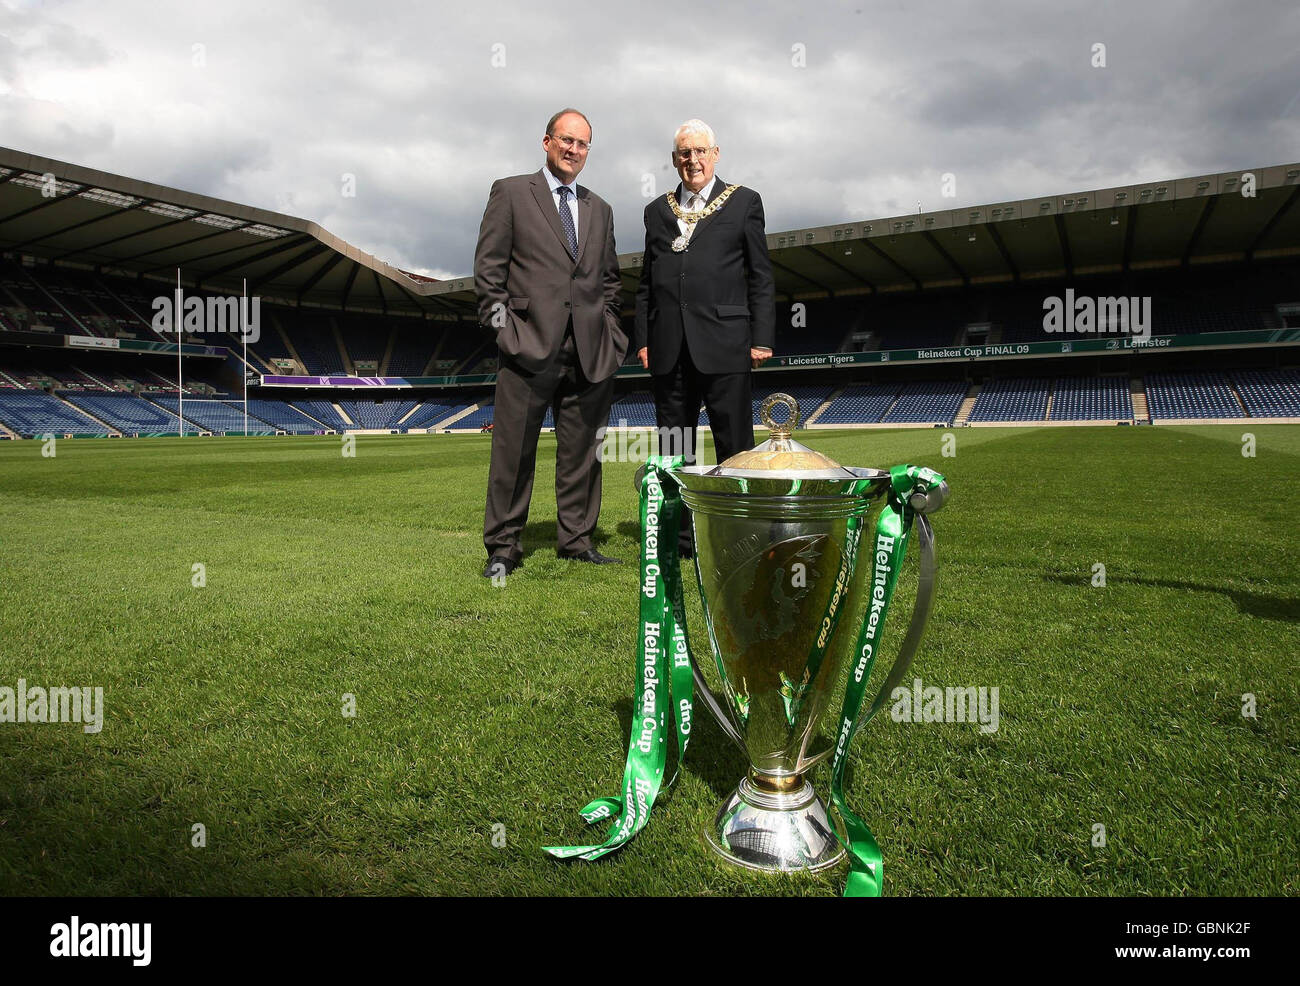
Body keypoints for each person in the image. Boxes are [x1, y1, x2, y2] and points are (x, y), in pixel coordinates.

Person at [475, 108, 628, 578]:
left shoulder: (599, 209)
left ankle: (577, 541)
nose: (573, 150)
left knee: (583, 454)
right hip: (527, 345)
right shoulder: (512, 191)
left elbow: (608, 282)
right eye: (566, 140)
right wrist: (507, 333)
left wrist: (610, 333)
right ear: (546, 141)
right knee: (513, 453)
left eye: (582, 144)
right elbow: (489, 273)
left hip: (589, 350)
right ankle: (503, 546)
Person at [633, 119, 775, 555]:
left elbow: (760, 275)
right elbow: (645, 283)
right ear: (674, 159)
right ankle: (680, 537)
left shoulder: (745, 202)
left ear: (715, 154)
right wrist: (643, 338)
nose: (692, 160)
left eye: (699, 151)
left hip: (727, 343)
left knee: (734, 446)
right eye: (683, 153)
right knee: (675, 448)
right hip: (669, 347)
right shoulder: (657, 210)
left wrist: (762, 337)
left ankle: (741, 534)